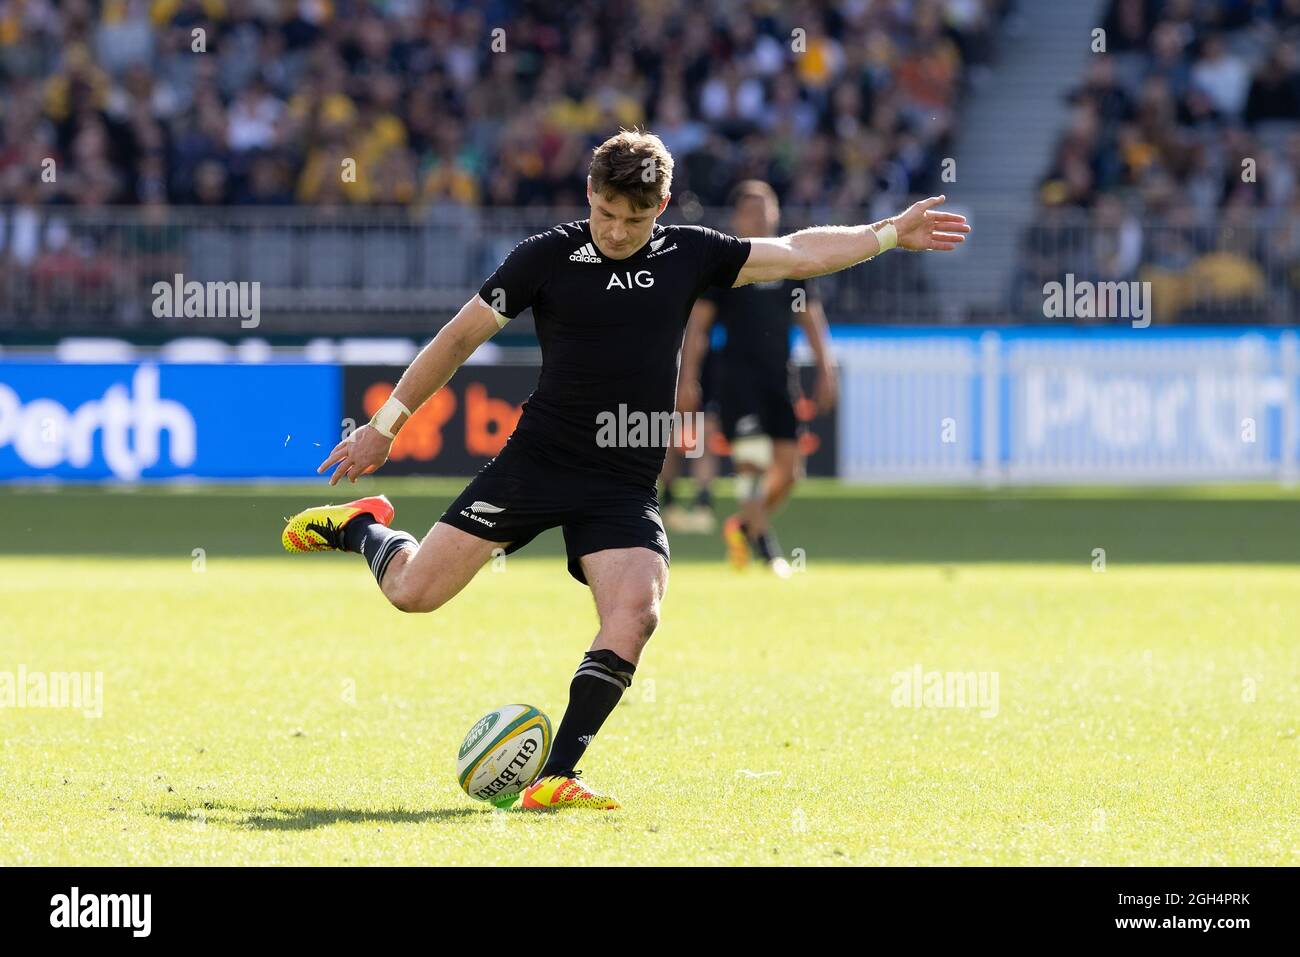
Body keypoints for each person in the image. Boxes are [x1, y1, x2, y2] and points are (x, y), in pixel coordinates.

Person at [281, 129, 969, 810]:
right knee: (413, 593)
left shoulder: (691, 254)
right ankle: (362, 528)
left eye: (634, 218)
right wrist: (385, 424)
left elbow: (794, 254)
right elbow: (459, 337)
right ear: (590, 192)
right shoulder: (544, 257)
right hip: (538, 462)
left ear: (663, 203)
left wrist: (886, 233)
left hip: (621, 484)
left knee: (637, 610)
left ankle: (556, 774)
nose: (615, 230)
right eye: (606, 213)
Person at [678, 180, 837, 576]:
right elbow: (698, 327)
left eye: (766, 207)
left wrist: (826, 370)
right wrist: (687, 379)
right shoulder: (727, 265)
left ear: (777, 212)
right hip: (737, 380)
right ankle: (767, 549)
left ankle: (745, 524)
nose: (759, 215)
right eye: (751, 209)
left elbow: (811, 319)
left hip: (779, 378)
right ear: (737, 217)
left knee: (789, 471)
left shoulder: (792, 262)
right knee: (750, 463)